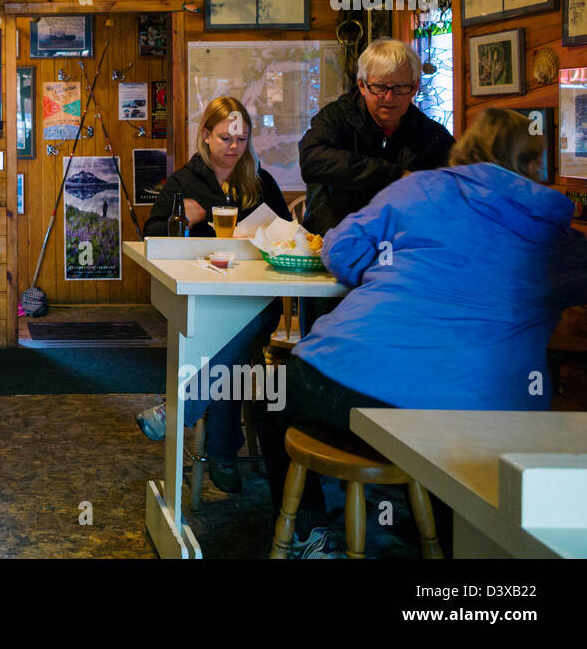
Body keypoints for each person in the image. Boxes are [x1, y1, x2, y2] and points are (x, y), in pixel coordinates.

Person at [258, 109, 587, 557]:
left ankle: (309, 533)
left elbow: (342, 247)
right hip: (474, 416)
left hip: (338, 375)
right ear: (534, 164)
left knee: (268, 394)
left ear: (466, 149)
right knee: (457, 468)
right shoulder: (557, 238)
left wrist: (390, 280)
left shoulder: (419, 188)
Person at [136, 95, 291, 493]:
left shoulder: (260, 182)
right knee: (230, 343)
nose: (233, 147)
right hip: (203, 298)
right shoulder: (183, 182)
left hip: (258, 300)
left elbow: (289, 237)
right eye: (225, 138)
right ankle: (224, 454)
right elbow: (151, 234)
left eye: (241, 139)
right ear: (206, 136)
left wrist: (264, 235)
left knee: (234, 330)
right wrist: (181, 217)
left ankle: (182, 411)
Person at [297, 38, 453, 335]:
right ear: (362, 85)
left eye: (401, 88)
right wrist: (395, 176)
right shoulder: (336, 118)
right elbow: (312, 162)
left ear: (416, 88)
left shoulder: (430, 134)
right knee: (323, 349)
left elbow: (453, 186)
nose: (389, 97)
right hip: (332, 257)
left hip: (400, 267)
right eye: (379, 87)